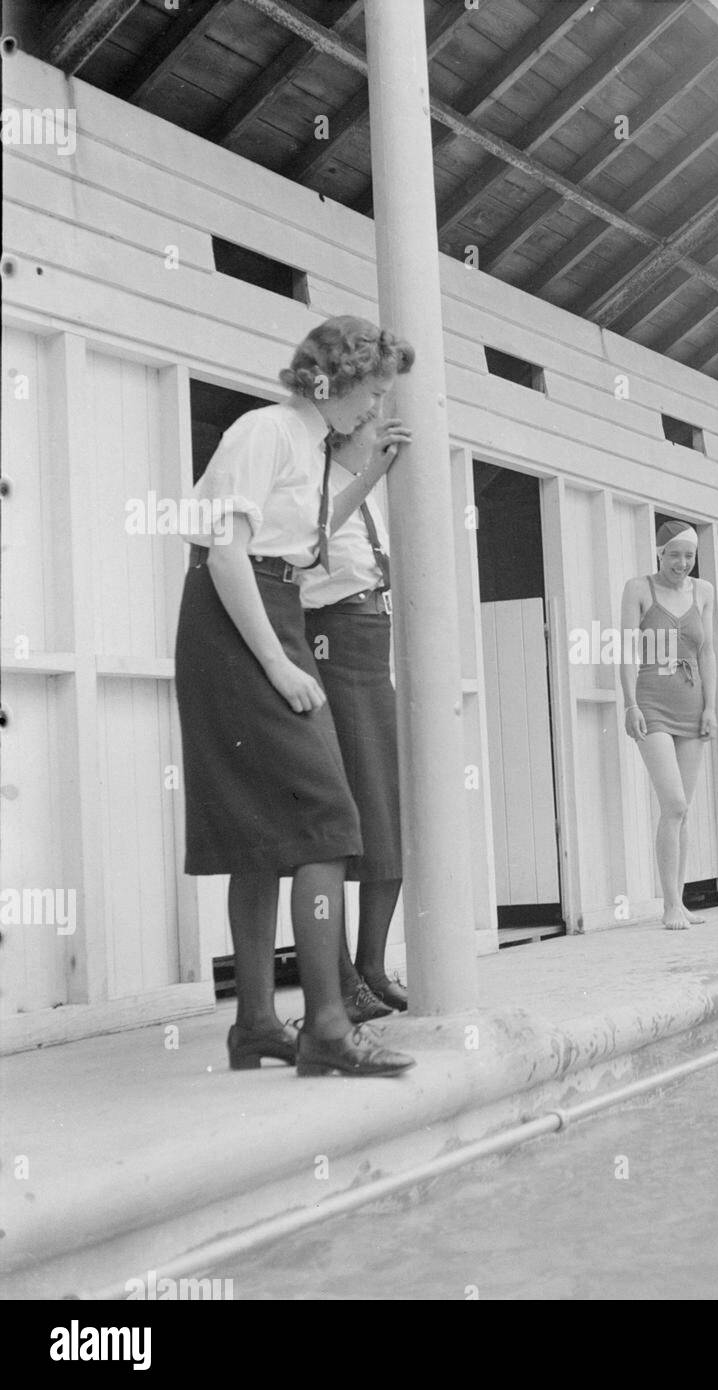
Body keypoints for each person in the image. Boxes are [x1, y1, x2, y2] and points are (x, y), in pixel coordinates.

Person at [175, 315, 415, 1077]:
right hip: (236, 618)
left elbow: (304, 545)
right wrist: (279, 665)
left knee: (263, 835)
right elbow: (225, 553)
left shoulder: (313, 451)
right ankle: (327, 1027)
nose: (375, 410)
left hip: (272, 605)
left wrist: (371, 472)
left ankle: (253, 1024)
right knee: (329, 824)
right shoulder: (266, 429)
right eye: (372, 393)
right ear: (329, 383)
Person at [301, 417, 407, 1024]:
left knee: (385, 810)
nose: (384, 427)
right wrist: (372, 474)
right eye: (372, 418)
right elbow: (313, 543)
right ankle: (340, 979)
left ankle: (372, 965)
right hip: (332, 642)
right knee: (341, 817)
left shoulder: (372, 487)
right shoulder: (317, 487)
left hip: (374, 644)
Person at [619, 519, 717, 930]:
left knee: (683, 809)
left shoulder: (704, 592)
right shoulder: (638, 588)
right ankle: (669, 905)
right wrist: (630, 704)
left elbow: (707, 651)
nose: (681, 563)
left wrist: (711, 707)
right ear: (659, 553)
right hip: (653, 702)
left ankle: (679, 900)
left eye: (688, 555)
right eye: (674, 554)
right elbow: (625, 649)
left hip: (693, 705)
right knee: (673, 803)